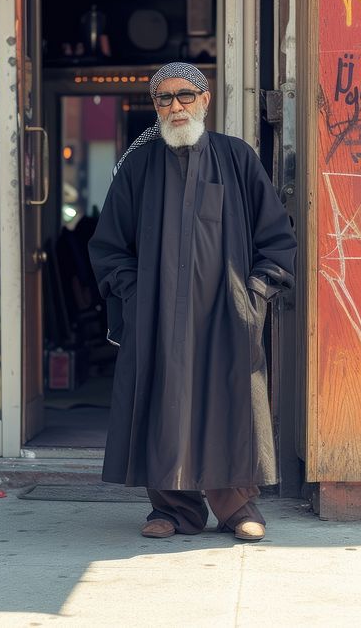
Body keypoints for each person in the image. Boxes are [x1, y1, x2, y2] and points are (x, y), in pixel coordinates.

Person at [88, 62, 298, 541]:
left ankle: (236, 508)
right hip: (157, 317)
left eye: (185, 95)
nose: (175, 105)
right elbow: (108, 245)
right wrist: (137, 295)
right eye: (164, 98)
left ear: (205, 100)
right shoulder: (138, 166)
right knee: (164, 406)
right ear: (156, 107)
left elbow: (276, 236)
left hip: (226, 315)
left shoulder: (237, 158)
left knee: (228, 404)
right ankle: (173, 511)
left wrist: (255, 294)